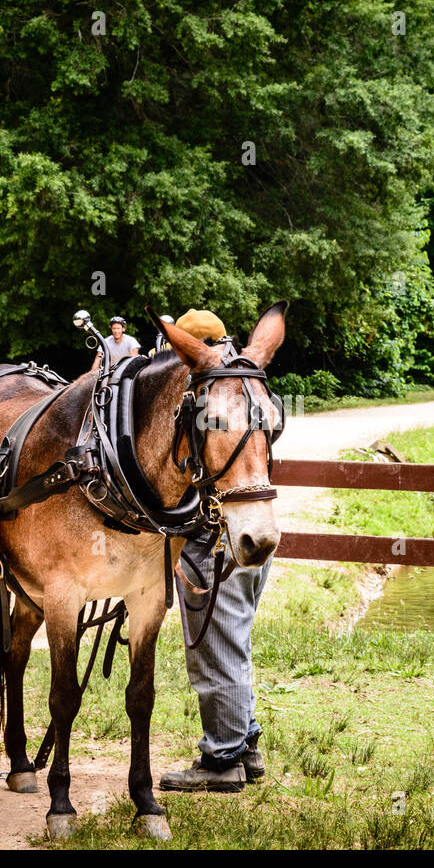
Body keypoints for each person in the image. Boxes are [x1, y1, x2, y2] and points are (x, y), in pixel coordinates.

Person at [159, 308, 271, 793]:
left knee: (213, 646)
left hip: (216, 541)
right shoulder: (246, 386)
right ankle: (245, 743)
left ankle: (222, 759)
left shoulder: (205, 394)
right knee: (235, 640)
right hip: (253, 527)